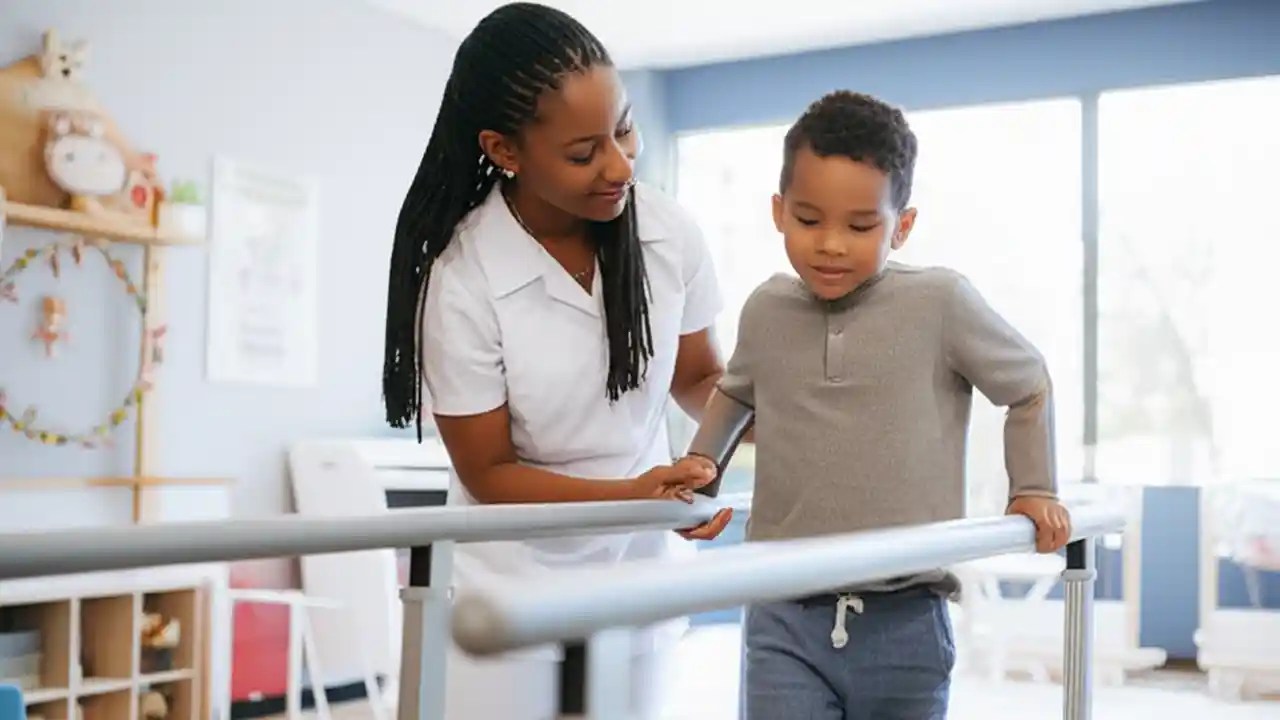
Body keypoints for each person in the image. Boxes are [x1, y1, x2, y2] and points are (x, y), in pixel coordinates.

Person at [380, 3, 732, 717]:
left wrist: (736, 449)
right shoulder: (464, 275)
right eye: (583, 152)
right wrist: (638, 499)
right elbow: (489, 471)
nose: (620, 165)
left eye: (624, 129)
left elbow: (699, 380)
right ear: (505, 151)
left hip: (641, 579)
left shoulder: (667, 230)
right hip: (507, 592)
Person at [680, 90, 1073, 719]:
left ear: (903, 225)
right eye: (809, 221)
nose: (831, 244)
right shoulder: (766, 308)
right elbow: (734, 392)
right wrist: (702, 469)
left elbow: (1027, 384)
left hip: (906, 618)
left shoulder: (941, 302)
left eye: (861, 227)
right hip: (783, 613)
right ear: (779, 212)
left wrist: (1034, 488)